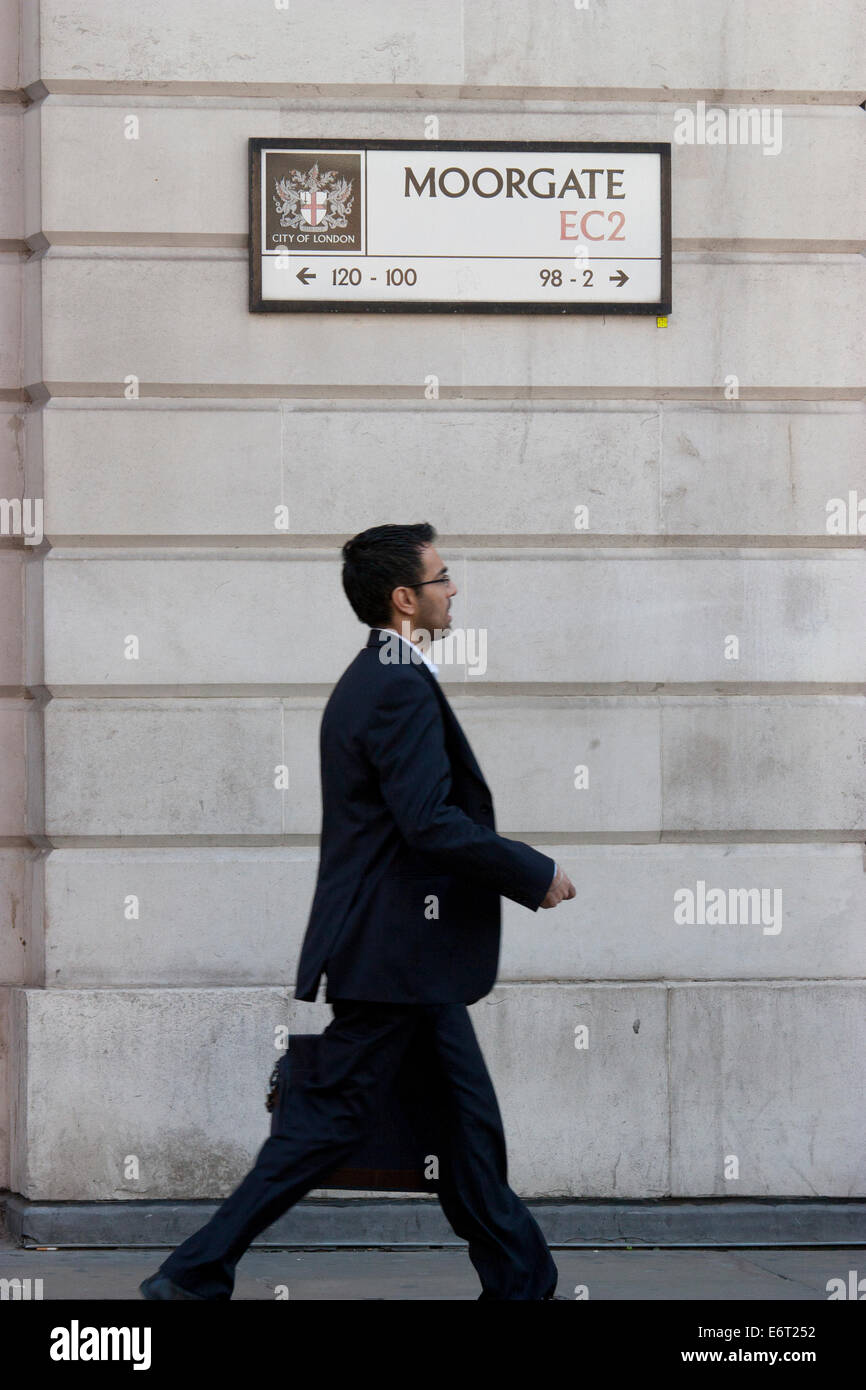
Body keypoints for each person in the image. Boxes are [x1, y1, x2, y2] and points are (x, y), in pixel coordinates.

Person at [140, 522, 576, 1301]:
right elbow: (429, 821)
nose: (453, 591)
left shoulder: (374, 678)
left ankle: (523, 1284)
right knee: (327, 1126)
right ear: (404, 599)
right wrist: (529, 871)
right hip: (396, 955)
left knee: (464, 1130)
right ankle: (192, 1272)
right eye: (442, 579)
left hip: (407, 956)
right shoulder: (394, 685)